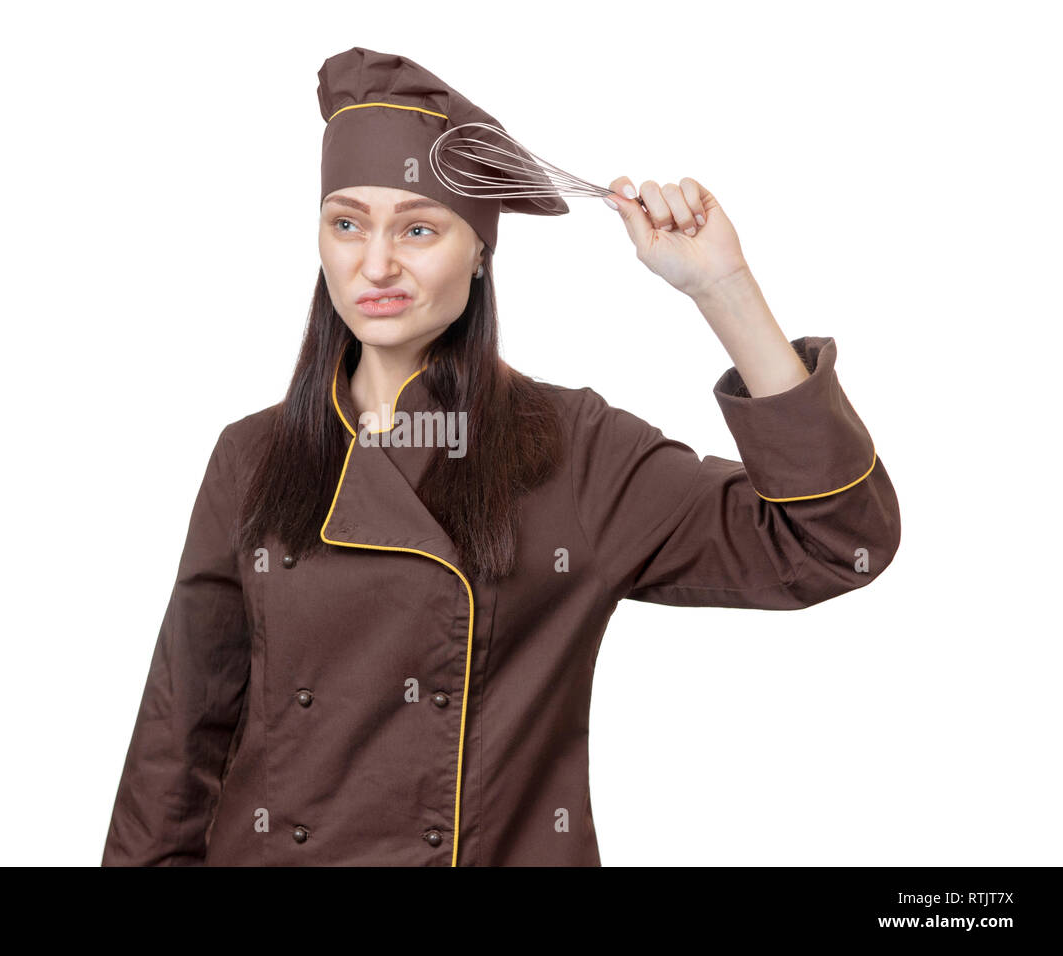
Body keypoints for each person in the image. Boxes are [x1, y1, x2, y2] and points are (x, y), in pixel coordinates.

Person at [100, 47, 901, 867]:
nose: (375, 265)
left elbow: (836, 540)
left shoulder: (572, 450)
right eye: (347, 223)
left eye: (418, 229)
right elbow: (178, 738)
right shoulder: (254, 455)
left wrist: (723, 289)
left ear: (480, 250)